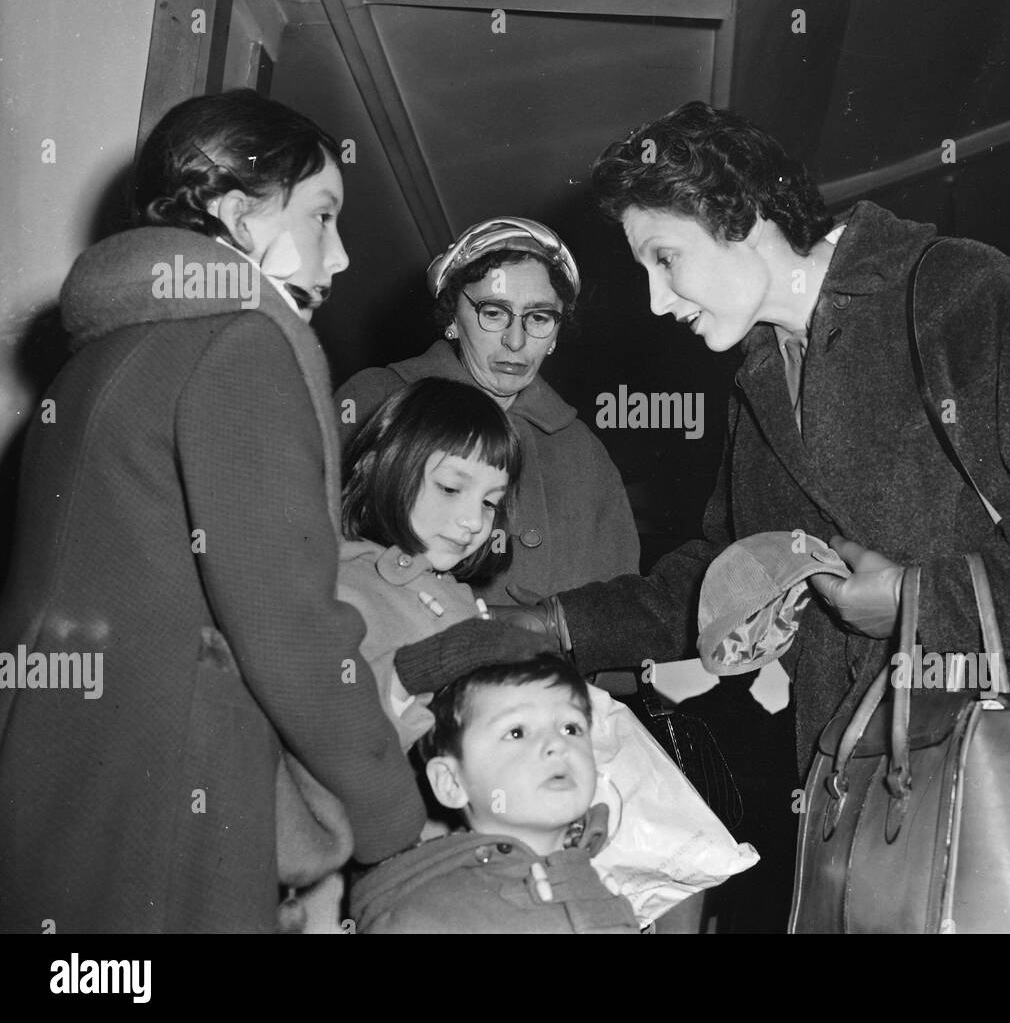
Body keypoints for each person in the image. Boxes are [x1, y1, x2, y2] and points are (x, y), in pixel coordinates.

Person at [509, 101, 1010, 932]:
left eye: (665, 258)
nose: (656, 300)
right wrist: (547, 626)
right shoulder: (763, 378)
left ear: (742, 215)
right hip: (868, 782)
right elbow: (717, 573)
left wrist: (918, 599)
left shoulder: (951, 292)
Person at [0, 89, 428, 932]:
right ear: (237, 212)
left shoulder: (104, 356)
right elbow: (290, 626)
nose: (339, 258)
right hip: (166, 789)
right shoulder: (238, 347)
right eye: (322, 217)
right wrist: (392, 813)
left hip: (60, 772)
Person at [334, 217, 640, 603]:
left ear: (556, 335)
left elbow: (616, 609)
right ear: (451, 318)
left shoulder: (585, 453)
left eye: (539, 318)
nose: (516, 340)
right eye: (494, 313)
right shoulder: (373, 397)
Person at [349, 649, 641, 935]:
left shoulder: (594, 883)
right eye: (516, 732)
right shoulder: (429, 909)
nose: (557, 744)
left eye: (571, 728)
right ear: (451, 782)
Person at [339, 377, 524, 751]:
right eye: (451, 489)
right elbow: (337, 733)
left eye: (490, 502)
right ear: (379, 468)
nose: (474, 521)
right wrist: (412, 672)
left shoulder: (457, 596)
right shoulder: (343, 591)